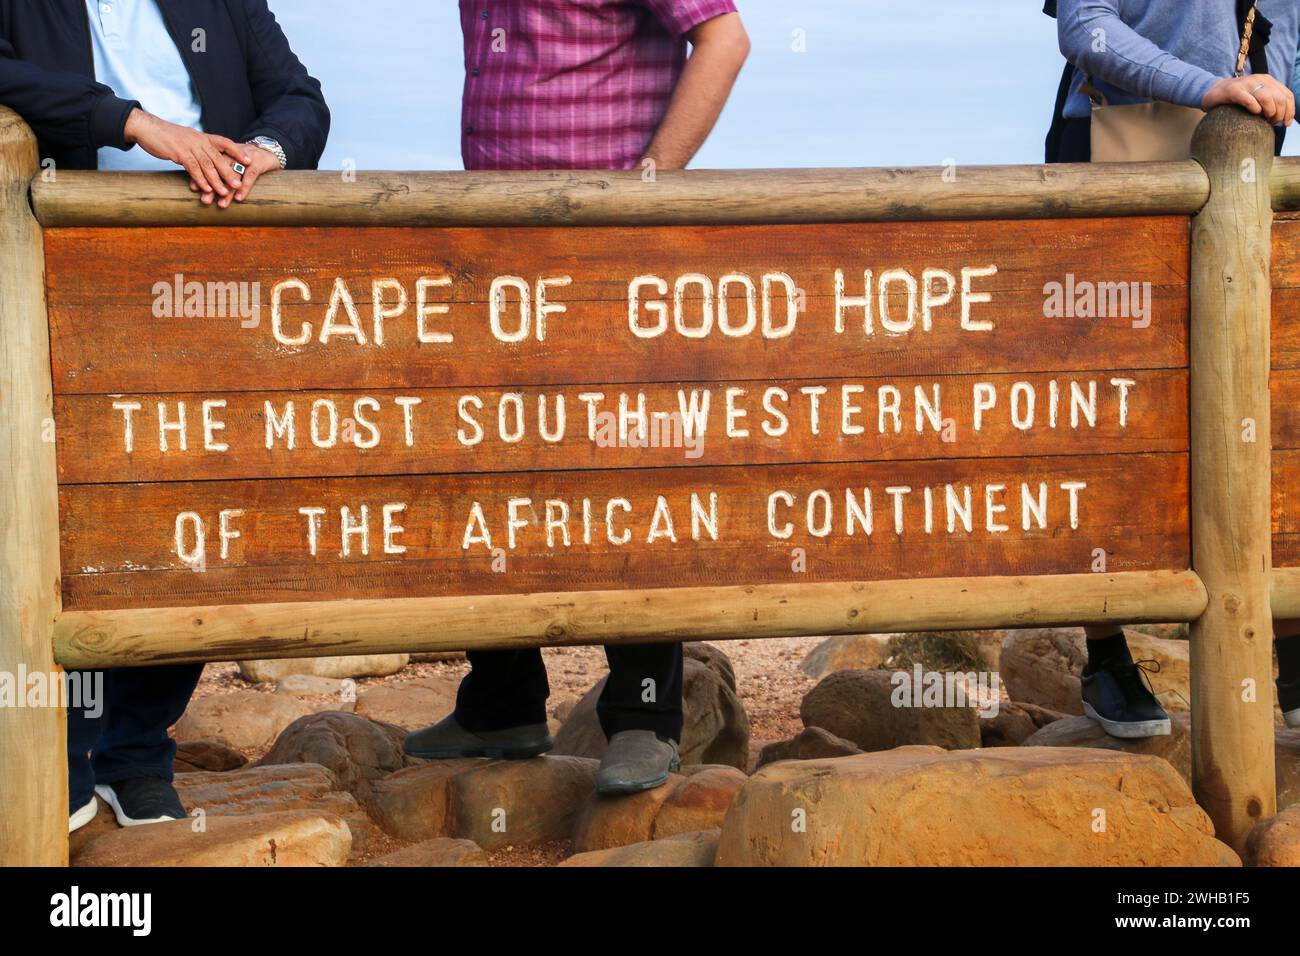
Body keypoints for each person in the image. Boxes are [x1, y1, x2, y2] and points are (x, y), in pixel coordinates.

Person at [403, 0, 750, 794]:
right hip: (495, 245)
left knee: (620, 464)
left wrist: (646, 188)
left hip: (604, 242)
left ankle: (644, 720)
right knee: (490, 456)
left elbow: (724, 38)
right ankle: (501, 705)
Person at [0, 0, 329, 832]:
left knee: (189, 517)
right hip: (56, 279)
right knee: (64, 522)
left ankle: (136, 754)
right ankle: (65, 752)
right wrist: (135, 123)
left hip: (201, 279)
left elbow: (299, 96)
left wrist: (263, 153)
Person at [1052, 0, 1299, 738]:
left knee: (1266, 402)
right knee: (1109, 415)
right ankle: (1106, 656)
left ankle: (1291, 657)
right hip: (1116, 157)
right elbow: (1084, 28)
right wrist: (1208, 88)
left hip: (1247, 160)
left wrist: (1269, 95)